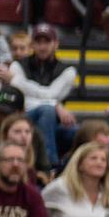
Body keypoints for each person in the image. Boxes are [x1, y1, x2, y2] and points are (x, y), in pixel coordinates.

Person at [13, 23, 79, 161]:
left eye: (47, 42)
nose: (42, 47)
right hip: (23, 119)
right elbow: (23, 100)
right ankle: (49, 165)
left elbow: (50, 94)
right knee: (47, 110)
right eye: (38, 42)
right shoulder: (18, 65)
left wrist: (19, 82)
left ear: (56, 44)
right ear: (32, 44)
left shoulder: (68, 71)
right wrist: (55, 105)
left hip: (52, 123)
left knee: (82, 133)